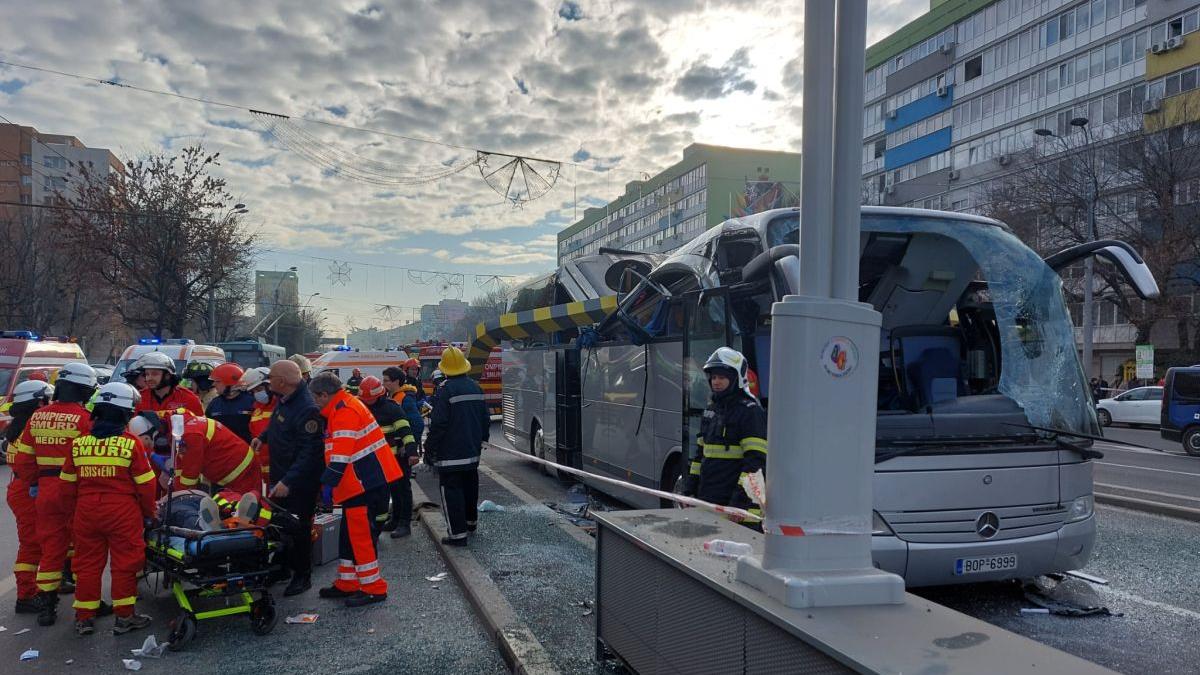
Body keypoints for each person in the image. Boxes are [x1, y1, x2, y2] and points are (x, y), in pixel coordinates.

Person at [59, 381, 157, 636]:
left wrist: (72, 515)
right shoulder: (131, 444)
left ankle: (84, 618)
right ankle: (124, 618)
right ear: (125, 413)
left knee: (87, 565)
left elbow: (66, 486)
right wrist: (150, 513)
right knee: (124, 565)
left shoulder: (78, 444)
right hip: (122, 513)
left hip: (86, 512)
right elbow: (146, 486)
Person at [15, 363, 97, 626]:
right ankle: (87, 605)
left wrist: (33, 483)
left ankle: (47, 606)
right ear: (84, 389)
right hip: (74, 491)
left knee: (51, 548)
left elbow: (24, 461)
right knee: (84, 547)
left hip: (45, 491)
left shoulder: (36, 417)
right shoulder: (85, 419)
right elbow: (90, 458)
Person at [310, 373, 402, 606]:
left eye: (315, 397)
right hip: (360, 481)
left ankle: (374, 587)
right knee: (349, 536)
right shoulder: (342, 407)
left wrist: (327, 485)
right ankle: (348, 582)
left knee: (359, 536)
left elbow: (340, 455)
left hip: (362, 482)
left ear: (324, 394)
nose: (314, 402)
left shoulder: (344, 411)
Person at [252, 360, 325, 596]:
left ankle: (302, 576)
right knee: (279, 524)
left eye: (271, 377)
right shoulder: (285, 400)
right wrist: (263, 437)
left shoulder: (306, 407)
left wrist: (288, 481)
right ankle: (283, 567)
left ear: (282, 382)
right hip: (281, 474)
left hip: (299, 481)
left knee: (299, 527)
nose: (268, 381)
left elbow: (310, 452)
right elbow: (277, 423)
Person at [682, 348, 767, 520]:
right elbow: (700, 457)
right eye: (713, 377)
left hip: (737, 511)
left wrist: (738, 504)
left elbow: (755, 464)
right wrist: (689, 490)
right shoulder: (712, 410)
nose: (716, 382)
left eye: (722, 377)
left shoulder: (750, 412)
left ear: (736, 378)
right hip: (709, 502)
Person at [423, 347, 489, 546]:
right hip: (471, 451)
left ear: (445, 369)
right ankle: (471, 523)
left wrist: (429, 449)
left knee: (451, 492)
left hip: (450, 453)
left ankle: (457, 535)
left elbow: (439, 424)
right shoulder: (475, 387)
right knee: (471, 487)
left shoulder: (445, 390)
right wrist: (482, 440)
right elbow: (485, 419)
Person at [4, 380, 55, 614]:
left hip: (21, 487)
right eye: (48, 399)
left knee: (39, 541)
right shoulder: (30, 427)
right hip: (27, 489)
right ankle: (25, 595)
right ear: (38, 401)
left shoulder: (20, 425)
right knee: (32, 544)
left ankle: (40, 585)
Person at [129, 411, 262, 495]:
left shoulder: (189, 434)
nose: (150, 446)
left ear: (154, 432)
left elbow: (190, 475)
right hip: (229, 473)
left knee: (246, 514)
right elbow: (182, 463)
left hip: (243, 473)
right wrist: (174, 480)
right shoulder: (177, 427)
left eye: (147, 441)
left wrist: (178, 497)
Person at [358, 376, 418, 538]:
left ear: (378, 395)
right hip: (376, 460)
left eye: (369, 399)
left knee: (402, 491)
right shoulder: (362, 406)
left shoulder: (392, 408)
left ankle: (404, 524)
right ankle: (394, 520)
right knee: (392, 491)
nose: (367, 402)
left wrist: (412, 452)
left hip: (397, 458)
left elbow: (405, 431)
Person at [238, 367, 276, 488]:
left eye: (259, 389)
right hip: (261, 474)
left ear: (269, 385)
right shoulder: (256, 410)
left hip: (279, 472)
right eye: (253, 391)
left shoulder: (281, 407)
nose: (257, 394)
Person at [132, 352, 203, 416]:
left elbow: (200, 426)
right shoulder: (140, 398)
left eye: (154, 374)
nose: (149, 378)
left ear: (167, 376)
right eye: (147, 374)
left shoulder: (189, 399)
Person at [206, 363, 255, 443]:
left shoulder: (251, 402)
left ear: (230, 384)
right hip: (222, 451)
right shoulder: (214, 404)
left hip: (246, 451)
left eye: (218, 381)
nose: (213, 384)